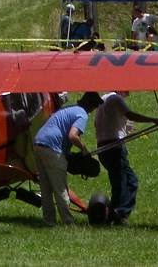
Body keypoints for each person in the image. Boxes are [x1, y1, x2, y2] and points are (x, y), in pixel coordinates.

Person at [92, 89, 158, 224]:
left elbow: (98, 124)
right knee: (127, 182)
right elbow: (131, 115)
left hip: (103, 146)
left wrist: (123, 129)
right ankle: (119, 213)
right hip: (114, 146)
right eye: (126, 90)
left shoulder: (103, 99)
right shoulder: (116, 99)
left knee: (120, 182)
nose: (129, 92)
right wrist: (154, 120)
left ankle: (115, 213)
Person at [33, 91, 99, 225]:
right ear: (91, 105)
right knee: (60, 188)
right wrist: (84, 150)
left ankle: (49, 221)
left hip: (38, 142)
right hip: (52, 147)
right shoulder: (82, 114)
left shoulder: (70, 108)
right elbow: (73, 136)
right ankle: (68, 222)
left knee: (46, 188)